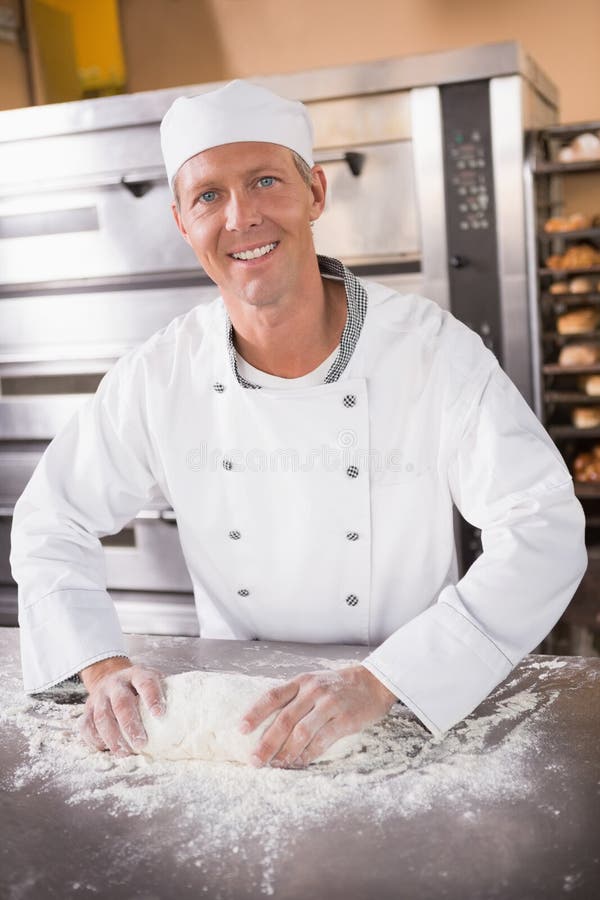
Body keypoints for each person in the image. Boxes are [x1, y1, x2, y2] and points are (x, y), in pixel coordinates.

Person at [10, 80, 587, 769]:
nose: (241, 217)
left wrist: (384, 680)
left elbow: (543, 528)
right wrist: (99, 667)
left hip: (402, 706)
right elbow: (52, 518)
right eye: (208, 196)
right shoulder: (162, 372)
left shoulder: (433, 351)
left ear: (315, 191)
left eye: (264, 181)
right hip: (232, 731)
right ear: (181, 221)